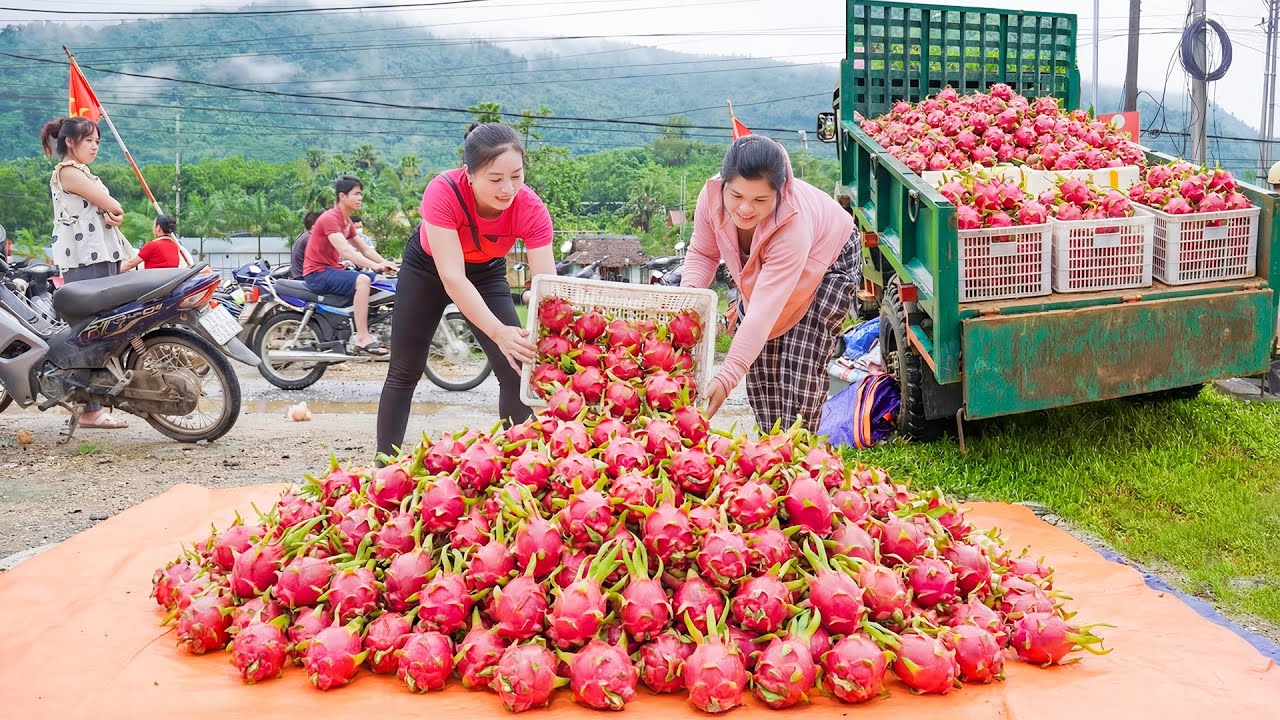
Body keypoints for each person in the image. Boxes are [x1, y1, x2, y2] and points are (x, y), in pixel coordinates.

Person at [376, 123, 557, 457]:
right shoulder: (443, 190)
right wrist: (498, 331)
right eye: (495, 179)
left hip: (487, 273)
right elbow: (453, 278)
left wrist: (541, 314)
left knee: (515, 366)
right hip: (428, 269)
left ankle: (524, 465)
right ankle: (383, 468)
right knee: (404, 370)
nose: (508, 188)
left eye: (516, 176)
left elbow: (549, 286)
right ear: (469, 175)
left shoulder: (530, 208)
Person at [681, 135, 858, 431]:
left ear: (779, 193)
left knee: (799, 362)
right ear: (723, 184)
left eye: (760, 200)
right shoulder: (710, 200)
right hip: (770, 279)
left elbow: (762, 313)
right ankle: (770, 445)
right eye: (736, 196)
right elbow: (703, 253)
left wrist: (726, 378)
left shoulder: (793, 224)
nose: (746, 209)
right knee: (762, 373)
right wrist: (686, 306)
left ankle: (799, 453)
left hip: (828, 260)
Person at [40, 115, 134, 429]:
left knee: (102, 329)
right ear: (70, 142)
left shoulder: (83, 172)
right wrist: (113, 209)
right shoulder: (67, 172)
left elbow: (111, 212)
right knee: (89, 331)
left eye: (97, 141)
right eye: (88, 140)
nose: (94, 146)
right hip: (83, 259)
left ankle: (96, 403)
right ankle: (89, 410)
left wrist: (113, 214)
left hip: (100, 254)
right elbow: (111, 203)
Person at [302, 176, 398, 355]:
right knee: (362, 280)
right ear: (342, 196)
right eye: (356, 194)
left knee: (381, 281)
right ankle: (362, 336)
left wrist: (384, 263)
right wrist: (374, 266)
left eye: (361, 194)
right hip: (318, 273)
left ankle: (371, 323)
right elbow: (347, 252)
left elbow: (365, 249)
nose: (360, 198)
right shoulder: (329, 219)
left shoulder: (347, 222)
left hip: (332, 270)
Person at [121, 214, 191, 271]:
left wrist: (113, 272)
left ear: (158, 228)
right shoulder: (175, 247)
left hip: (153, 285)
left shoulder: (153, 245)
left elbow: (131, 264)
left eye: (154, 226)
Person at [290, 210, 322, 280]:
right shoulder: (310, 239)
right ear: (315, 226)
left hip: (299, 275)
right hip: (303, 278)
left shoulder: (304, 236)